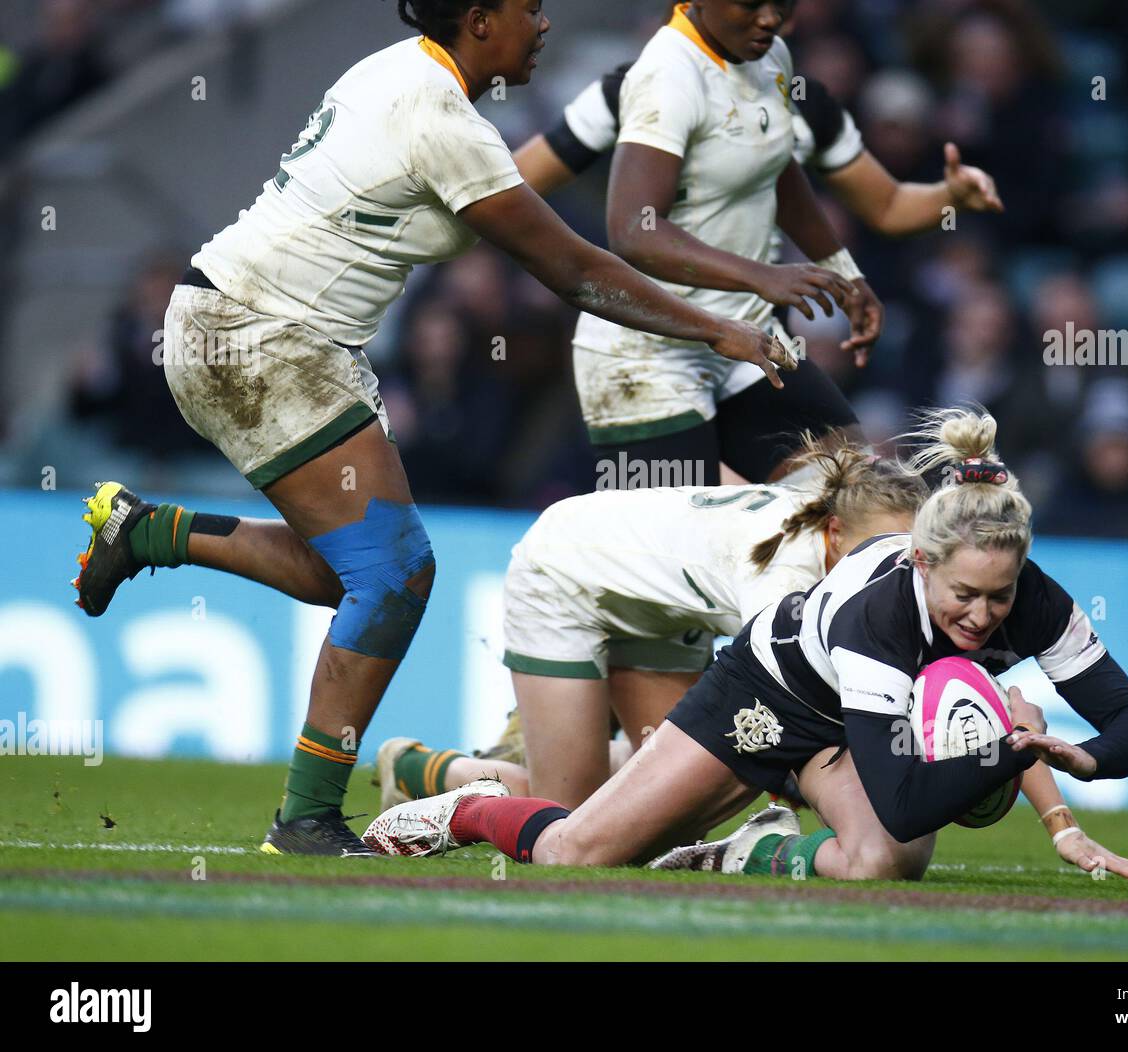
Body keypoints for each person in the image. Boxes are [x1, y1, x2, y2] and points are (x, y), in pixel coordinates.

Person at [70, 0, 794, 857]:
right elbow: (569, 266)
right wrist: (713, 325)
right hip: (258, 336)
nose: (546, 23)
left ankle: (146, 531)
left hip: (254, 327)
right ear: (481, 20)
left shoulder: (404, 73)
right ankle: (304, 819)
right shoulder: (440, 115)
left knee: (344, 572)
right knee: (396, 572)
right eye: (530, 9)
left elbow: (522, 204)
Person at [363, 407, 1128, 882]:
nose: (985, 617)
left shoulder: (1039, 604)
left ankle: (733, 856)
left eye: (1001, 595)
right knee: (579, 853)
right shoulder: (876, 622)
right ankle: (470, 809)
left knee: (884, 865)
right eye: (964, 595)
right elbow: (908, 794)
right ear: (921, 563)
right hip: (763, 695)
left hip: (843, 729)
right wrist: (1007, 753)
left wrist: (1078, 761)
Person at [377, 438, 927, 810]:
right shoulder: (785, 571)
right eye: (876, 550)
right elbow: (782, 700)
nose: (887, 568)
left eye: (903, 557)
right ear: (833, 531)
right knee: (570, 817)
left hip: (663, 610)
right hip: (564, 573)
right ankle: (415, 768)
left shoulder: (840, 532)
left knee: (667, 803)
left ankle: (564, 742)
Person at [542, 1, 883, 488]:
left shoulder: (771, 56)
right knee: (680, 550)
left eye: (781, 2)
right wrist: (762, 275)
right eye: (750, 4)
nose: (770, 18)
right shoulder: (669, 74)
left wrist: (842, 268)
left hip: (746, 341)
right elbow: (634, 230)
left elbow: (775, 167)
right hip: (650, 354)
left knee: (854, 496)